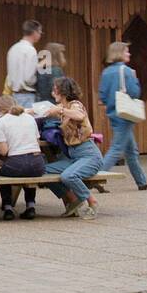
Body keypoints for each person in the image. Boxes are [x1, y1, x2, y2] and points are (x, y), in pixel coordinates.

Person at [42, 76, 103, 220]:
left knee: (69, 176)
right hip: (73, 156)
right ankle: (73, 199)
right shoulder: (62, 108)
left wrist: (60, 111)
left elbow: (79, 115)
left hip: (89, 155)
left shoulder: (75, 104)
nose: (52, 93)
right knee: (42, 171)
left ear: (62, 91)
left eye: (54, 90)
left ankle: (91, 201)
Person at [99, 40, 147, 190]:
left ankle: (142, 181)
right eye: (126, 51)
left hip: (113, 113)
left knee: (131, 150)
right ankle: (96, 177)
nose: (129, 53)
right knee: (117, 148)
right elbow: (135, 92)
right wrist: (135, 79)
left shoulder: (106, 72)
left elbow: (103, 95)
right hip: (125, 114)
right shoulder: (127, 71)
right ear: (119, 53)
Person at [0, 94, 45, 220]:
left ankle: (8, 207)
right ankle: (30, 205)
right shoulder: (30, 118)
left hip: (16, 164)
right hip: (37, 164)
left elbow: (4, 151)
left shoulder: (1, 122)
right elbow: (37, 143)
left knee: (1, 174)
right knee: (29, 174)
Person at [6, 20, 43, 109]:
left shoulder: (13, 48)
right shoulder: (31, 50)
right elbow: (29, 78)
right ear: (34, 32)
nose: (40, 35)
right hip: (27, 96)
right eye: (40, 32)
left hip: (14, 95)